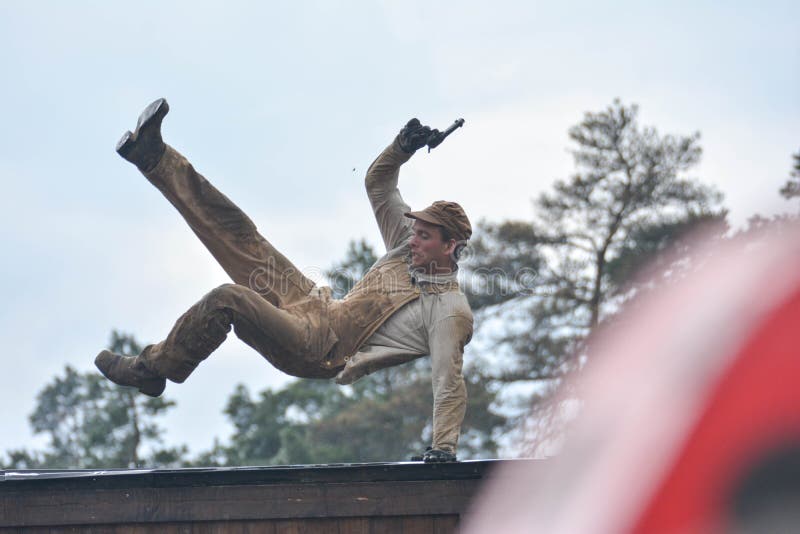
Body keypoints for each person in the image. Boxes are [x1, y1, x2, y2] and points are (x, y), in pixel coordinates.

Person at [95, 99, 474, 463]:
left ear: (450, 247)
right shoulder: (407, 247)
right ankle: (154, 157)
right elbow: (378, 183)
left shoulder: (448, 311)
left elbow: (448, 381)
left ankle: (149, 369)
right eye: (414, 231)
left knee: (227, 299)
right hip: (313, 304)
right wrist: (401, 147)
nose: (412, 239)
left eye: (424, 236)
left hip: (319, 347)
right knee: (240, 233)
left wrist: (443, 448)